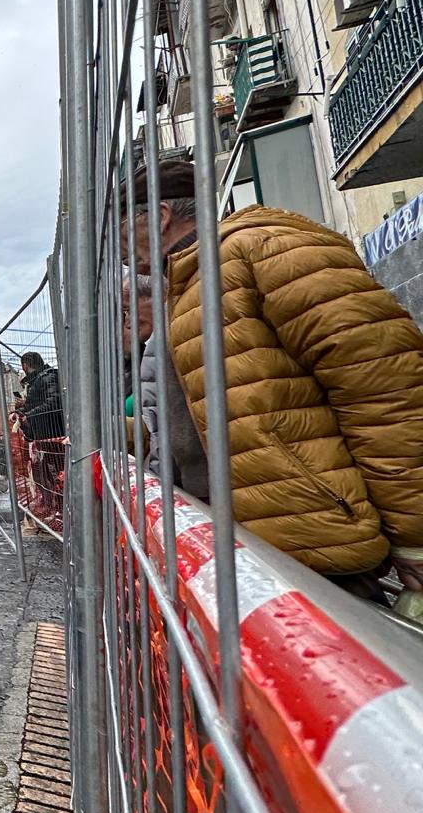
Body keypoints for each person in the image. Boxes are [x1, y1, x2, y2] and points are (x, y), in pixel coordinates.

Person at [129, 160, 423, 594]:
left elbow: (385, 394)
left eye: (120, 232)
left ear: (157, 216)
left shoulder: (267, 250)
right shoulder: (186, 288)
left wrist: (415, 537)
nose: (119, 252)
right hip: (258, 543)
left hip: (312, 540)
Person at [14, 352, 66, 527]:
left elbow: (54, 402)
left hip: (52, 435)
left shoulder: (48, 377)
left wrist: (29, 414)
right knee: (47, 477)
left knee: (57, 475)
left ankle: (62, 511)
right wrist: (24, 407)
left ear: (25, 366)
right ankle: (56, 510)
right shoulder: (40, 380)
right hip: (44, 436)